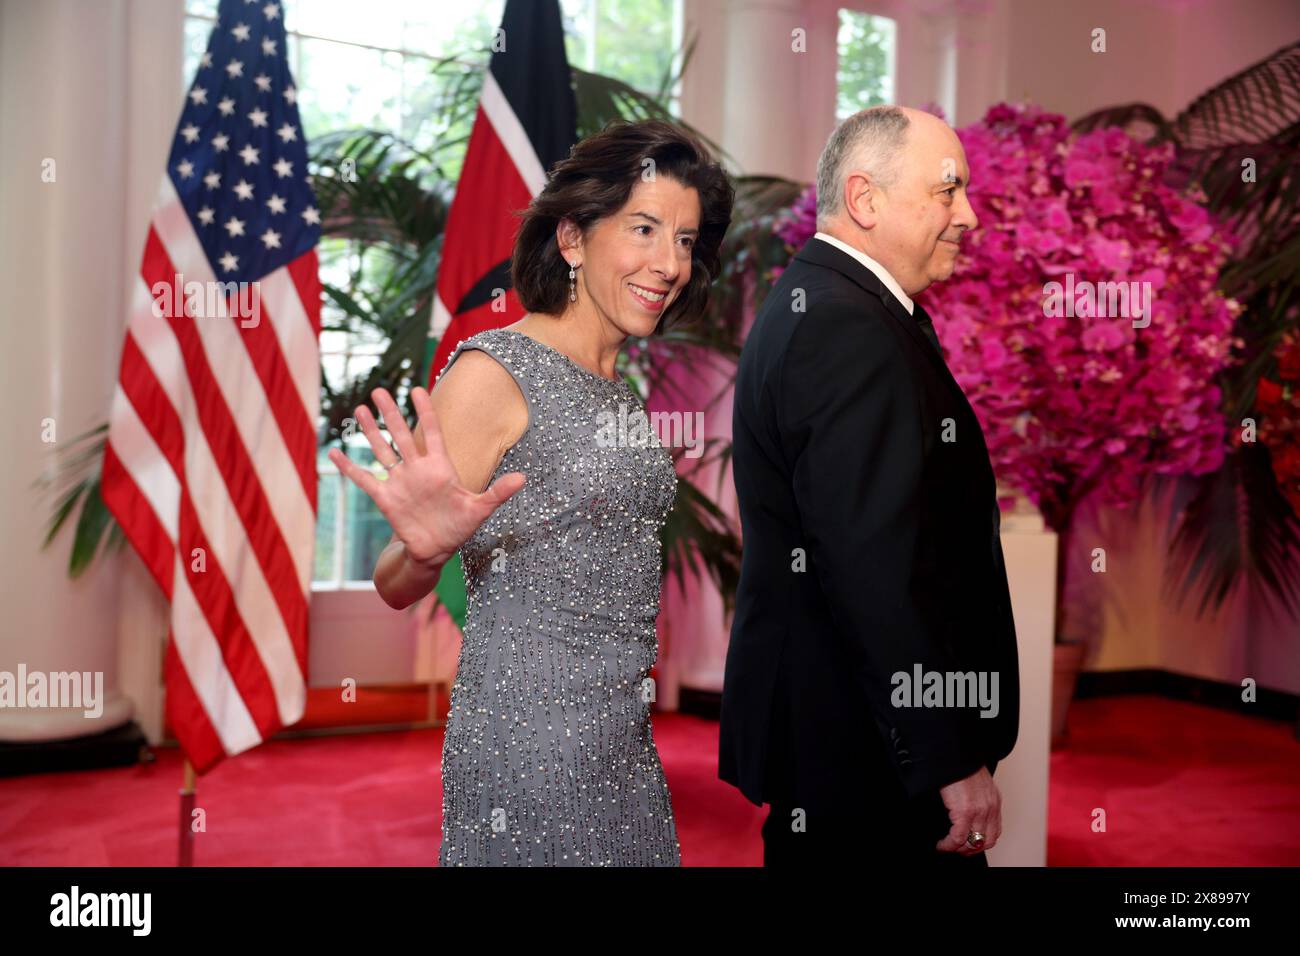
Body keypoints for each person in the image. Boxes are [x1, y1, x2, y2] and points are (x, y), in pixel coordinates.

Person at [329, 118, 734, 866]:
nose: (669, 262)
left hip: (623, 739)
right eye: (643, 229)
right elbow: (395, 580)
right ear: (574, 239)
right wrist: (422, 552)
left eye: (684, 240)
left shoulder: (618, 387)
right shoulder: (496, 370)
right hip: (528, 748)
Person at [720, 105, 1021, 866]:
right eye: (948, 191)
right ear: (865, 199)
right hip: (864, 750)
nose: (970, 215)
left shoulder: (829, 304)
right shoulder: (845, 325)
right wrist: (945, 753)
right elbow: (872, 566)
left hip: (852, 734)